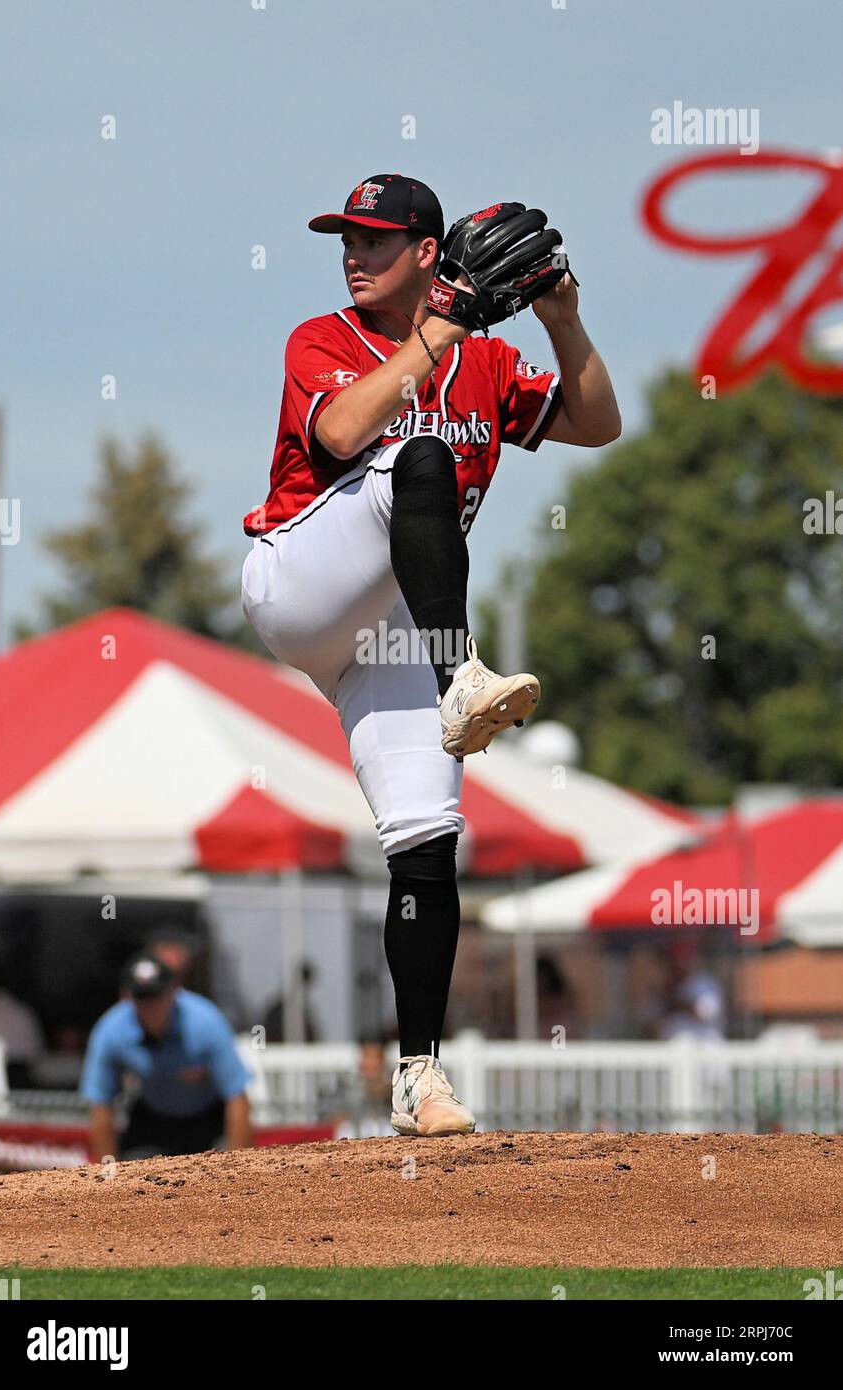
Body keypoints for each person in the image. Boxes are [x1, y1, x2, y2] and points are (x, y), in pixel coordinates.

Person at [241, 173, 620, 1136]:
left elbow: (596, 423)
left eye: (373, 241)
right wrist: (441, 326)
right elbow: (338, 429)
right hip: (302, 580)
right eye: (346, 239)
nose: (352, 255)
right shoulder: (322, 338)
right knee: (417, 461)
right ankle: (462, 673)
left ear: (424, 252)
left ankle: (419, 1075)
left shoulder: (488, 364)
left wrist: (562, 319)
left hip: (399, 627)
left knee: (426, 844)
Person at [80, 953, 252, 1160]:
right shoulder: (110, 1032)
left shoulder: (207, 1022)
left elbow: (237, 1098)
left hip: (209, 1119)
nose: (151, 1007)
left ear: (174, 991)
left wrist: (236, 1166)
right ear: (126, 997)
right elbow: (100, 1104)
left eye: (156, 997)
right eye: (142, 998)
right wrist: (107, 1173)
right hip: (152, 1120)